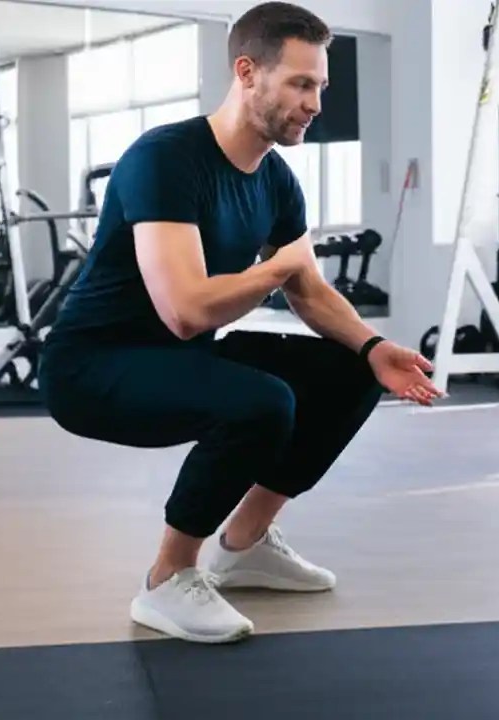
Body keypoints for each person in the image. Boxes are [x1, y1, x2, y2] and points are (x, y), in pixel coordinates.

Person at [39, 1, 442, 645]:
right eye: (301, 84)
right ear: (247, 72)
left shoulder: (276, 179)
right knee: (261, 402)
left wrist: (372, 345)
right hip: (94, 367)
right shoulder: (165, 158)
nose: (315, 103)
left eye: (321, 87)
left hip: (181, 356)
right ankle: (167, 578)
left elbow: (308, 287)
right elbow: (187, 311)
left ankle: (245, 543)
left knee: (349, 371)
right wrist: (275, 270)